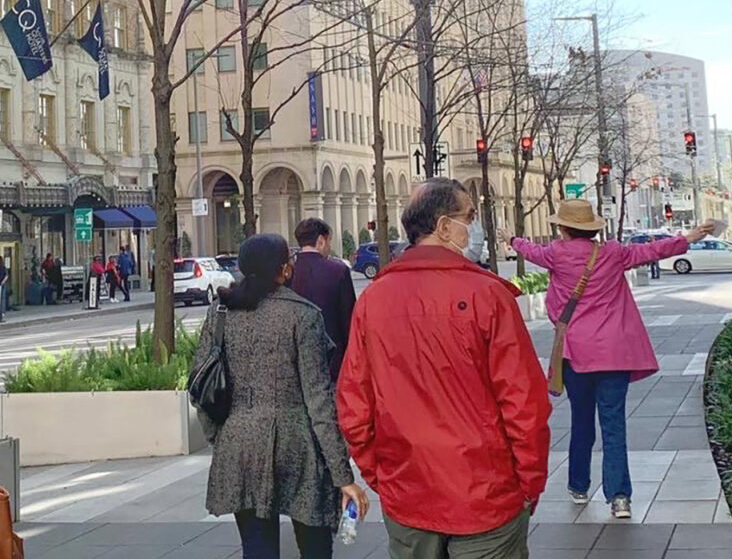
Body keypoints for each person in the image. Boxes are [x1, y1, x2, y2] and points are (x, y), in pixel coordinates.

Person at [338, 178, 550, 559]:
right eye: (469, 216)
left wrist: (383, 475)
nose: (475, 227)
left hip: (409, 493)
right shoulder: (488, 295)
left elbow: (354, 405)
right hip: (486, 495)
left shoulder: (373, 300)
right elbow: (524, 403)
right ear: (443, 226)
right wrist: (528, 483)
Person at [507, 200, 714, 519]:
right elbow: (652, 251)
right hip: (614, 354)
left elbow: (530, 250)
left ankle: (578, 485)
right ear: (591, 229)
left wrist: (511, 239)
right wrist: (687, 238)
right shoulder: (612, 253)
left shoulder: (556, 254)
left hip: (575, 355)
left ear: (562, 229)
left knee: (581, 421)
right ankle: (620, 498)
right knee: (614, 425)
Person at [197, 234, 369, 559]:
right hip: (299, 444)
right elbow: (319, 402)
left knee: (257, 547)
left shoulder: (220, 312)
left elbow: (202, 385)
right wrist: (343, 476)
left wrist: (221, 435)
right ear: (285, 269)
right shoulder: (303, 315)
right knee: (315, 543)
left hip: (239, 442)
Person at [287, 218, 357, 381]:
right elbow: (348, 319)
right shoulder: (338, 271)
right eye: (329, 241)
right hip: (333, 361)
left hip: (295, 360)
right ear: (321, 241)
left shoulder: (288, 273)